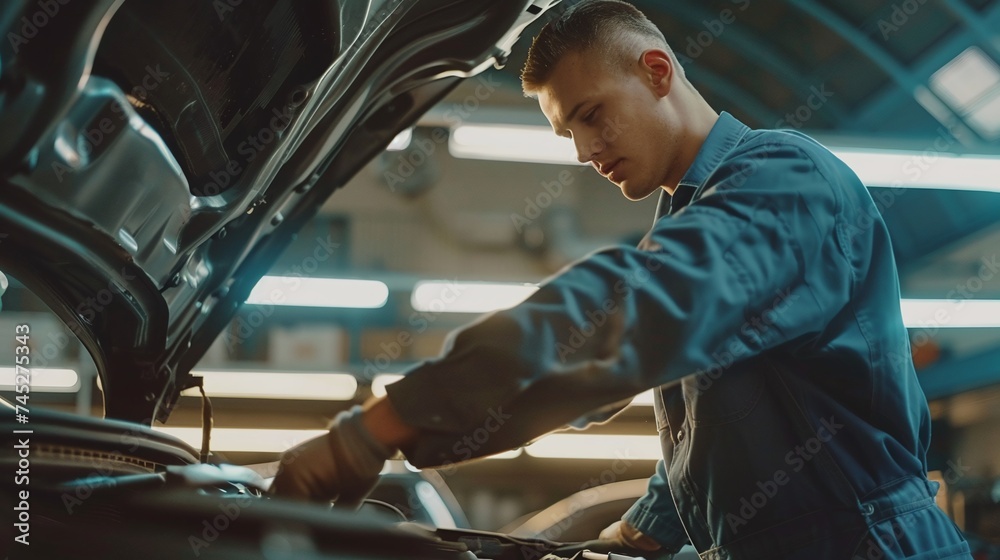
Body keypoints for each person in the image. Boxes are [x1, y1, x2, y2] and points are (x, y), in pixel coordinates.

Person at [270, 1, 972, 557]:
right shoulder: (691, 223)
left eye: (591, 114)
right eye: (565, 133)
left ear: (658, 71)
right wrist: (641, 531)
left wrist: (380, 426)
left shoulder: (783, 181)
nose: (582, 150)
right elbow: (721, 426)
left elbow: (626, 317)